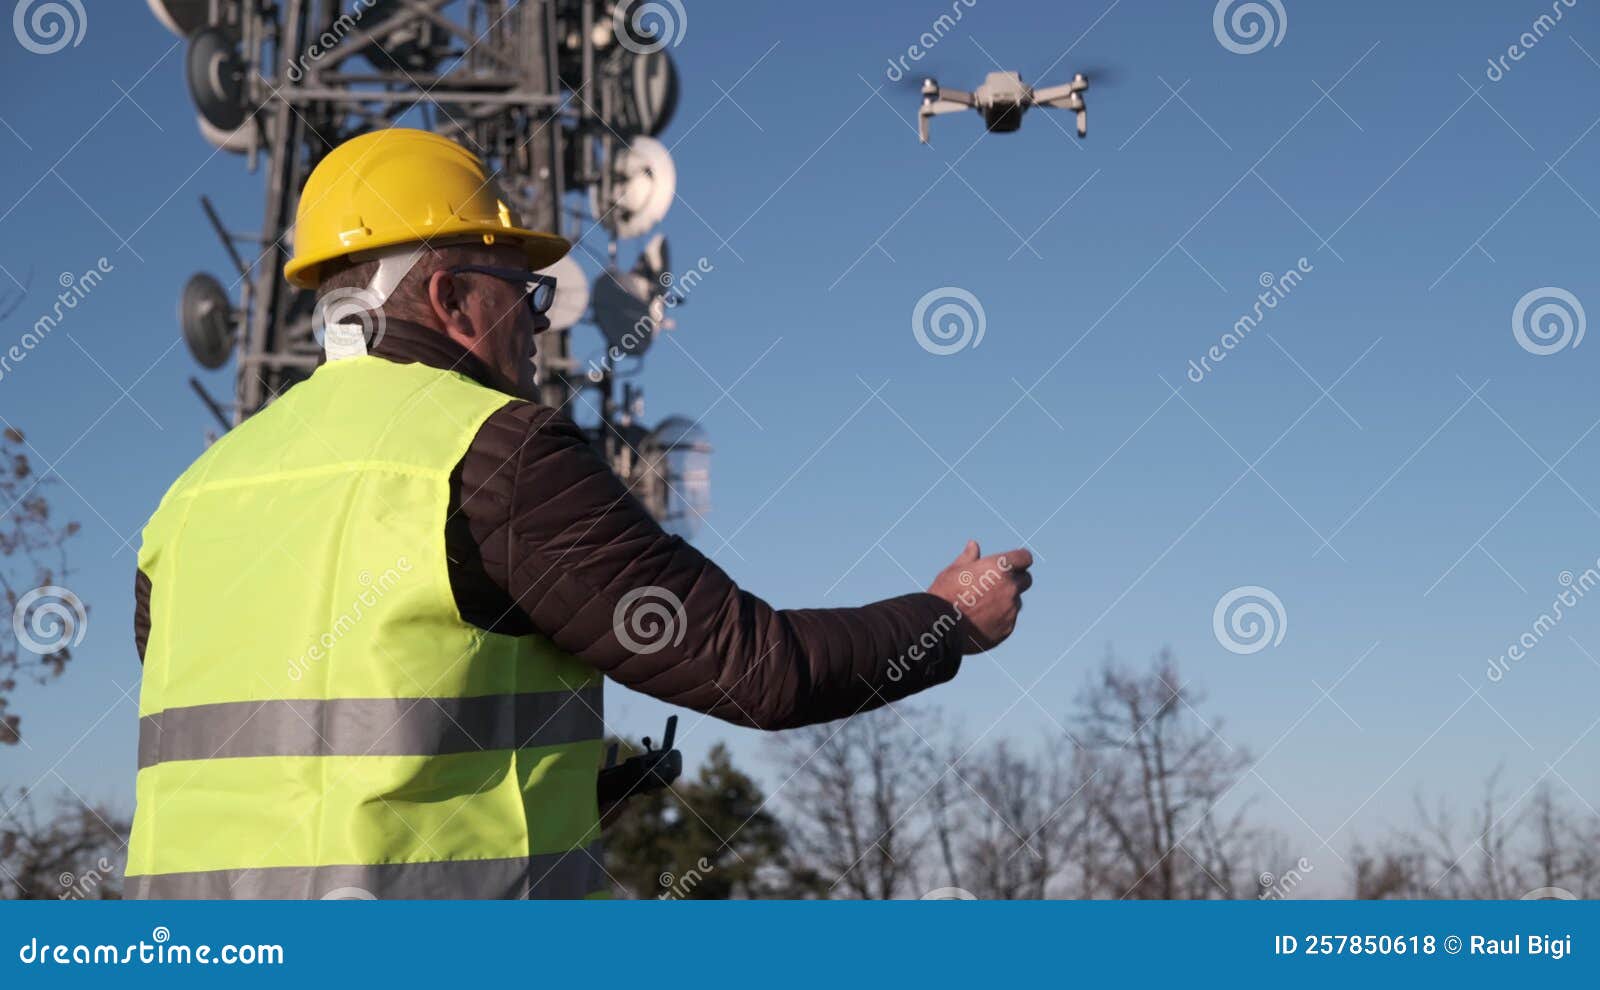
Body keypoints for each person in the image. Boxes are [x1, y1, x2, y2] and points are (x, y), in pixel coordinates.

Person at [126, 128, 1033, 899]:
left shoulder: (196, 491)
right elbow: (760, 671)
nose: (540, 324)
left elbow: (301, 752)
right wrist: (947, 622)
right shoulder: (499, 453)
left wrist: (569, 784)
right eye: (524, 295)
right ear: (449, 298)